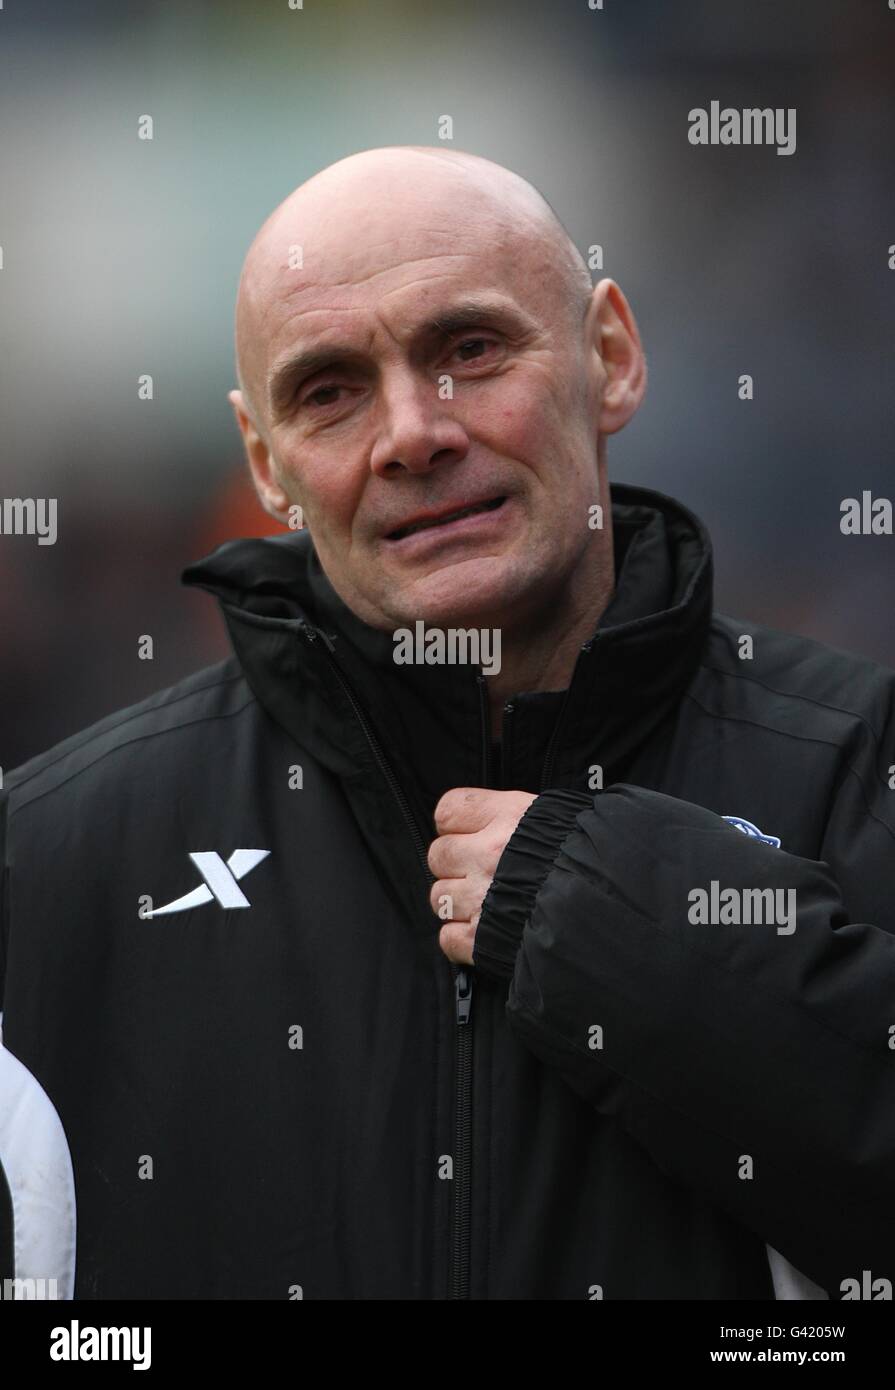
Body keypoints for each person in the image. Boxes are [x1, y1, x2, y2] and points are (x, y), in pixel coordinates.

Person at [1, 145, 894, 1301]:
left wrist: (644, 939)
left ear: (609, 358)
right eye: (328, 390)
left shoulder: (859, 765)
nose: (412, 431)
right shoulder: (51, 852)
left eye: (468, 350)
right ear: (266, 463)